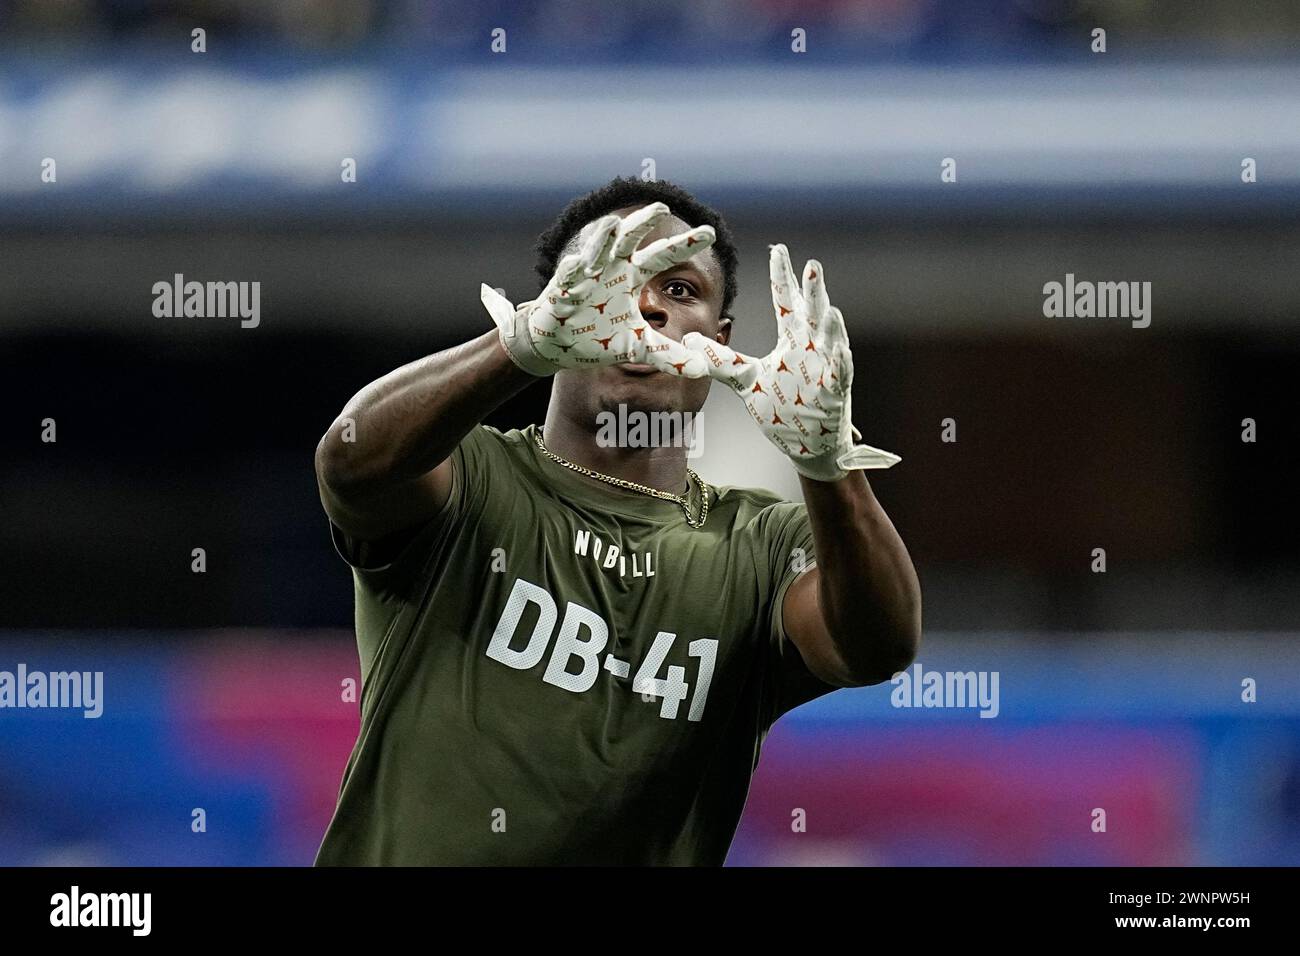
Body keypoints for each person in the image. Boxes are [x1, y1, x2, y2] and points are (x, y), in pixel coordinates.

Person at [313, 176, 921, 865]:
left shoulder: (762, 545)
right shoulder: (472, 479)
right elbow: (351, 463)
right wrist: (515, 348)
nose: (646, 307)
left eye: (681, 290)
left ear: (719, 340)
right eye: (615, 274)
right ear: (554, 305)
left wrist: (828, 466)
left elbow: (878, 646)